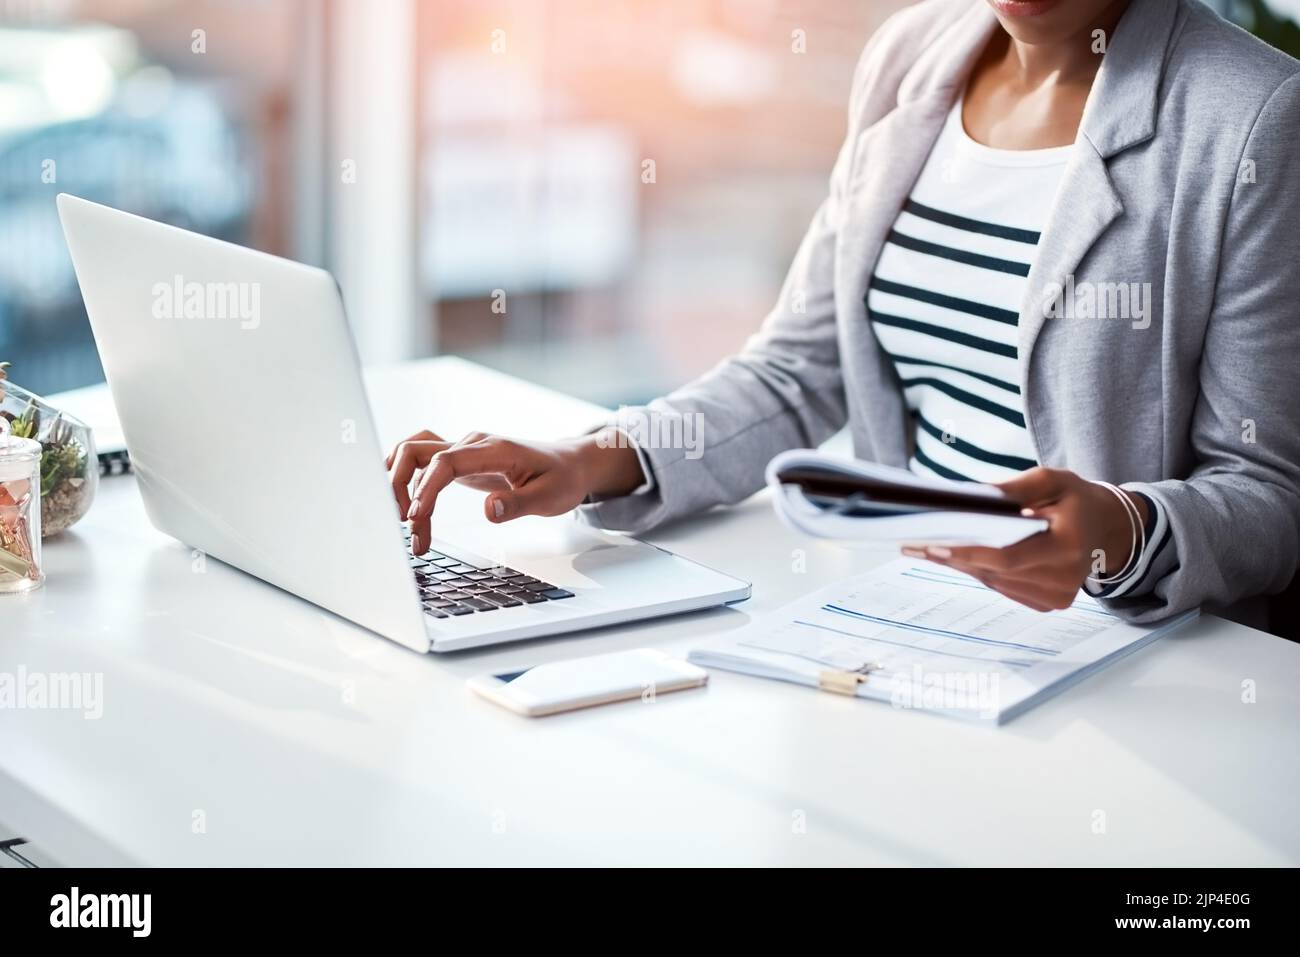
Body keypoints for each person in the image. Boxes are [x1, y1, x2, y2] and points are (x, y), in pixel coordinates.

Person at [387, 0, 1300, 625]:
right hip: (902, 612)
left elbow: (1270, 495)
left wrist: (1120, 529)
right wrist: (597, 456)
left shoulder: (1251, 114)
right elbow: (801, 369)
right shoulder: (911, 57)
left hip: (1115, 651)